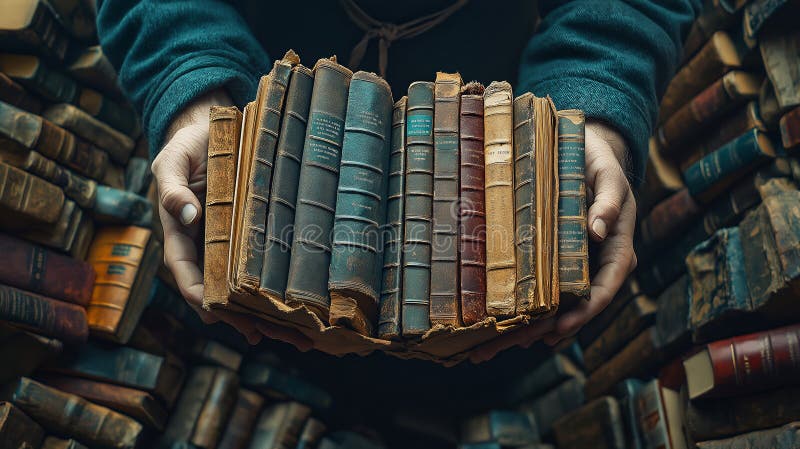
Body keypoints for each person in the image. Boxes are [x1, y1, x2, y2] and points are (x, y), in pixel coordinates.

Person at [97, 0, 701, 361]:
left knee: (485, 331)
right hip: (265, 135)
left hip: (500, 149)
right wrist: (196, 92)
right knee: (273, 315)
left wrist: (591, 119)